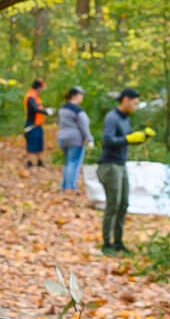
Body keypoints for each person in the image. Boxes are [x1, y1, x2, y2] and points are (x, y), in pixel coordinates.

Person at [98, 86, 137, 254]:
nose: (135, 106)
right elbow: (107, 140)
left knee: (123, 204)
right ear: (126, 100)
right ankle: (107, 243)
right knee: (113, 204)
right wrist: (127, 139)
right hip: (110, 165)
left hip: (122, 164)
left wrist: (139, 138)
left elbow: (125, 139)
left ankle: (118, 241)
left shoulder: (126, 119)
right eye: (134, 103)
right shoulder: (112, 118)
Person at [56, 87, 91, 192]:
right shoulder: (78, 110)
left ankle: (64, 186)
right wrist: (89, 138)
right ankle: (70, 187)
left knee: (67, 162)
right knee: (74, 163)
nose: (82, 97)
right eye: (81, 95)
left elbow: (59, 123)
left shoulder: (62, 108)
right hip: (75, 139)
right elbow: (84, 125)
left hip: (62, 137)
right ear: (74, 96)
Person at [23, 76, 46, 167]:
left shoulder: (36, 97)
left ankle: (39, 161)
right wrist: (45, 111)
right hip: (32, 124)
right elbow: (35, 109)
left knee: (39, 144)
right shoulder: (31, 97)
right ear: (39, 87)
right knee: (31, 144)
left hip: (38, 124)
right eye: (41, 87)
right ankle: (29, 162)